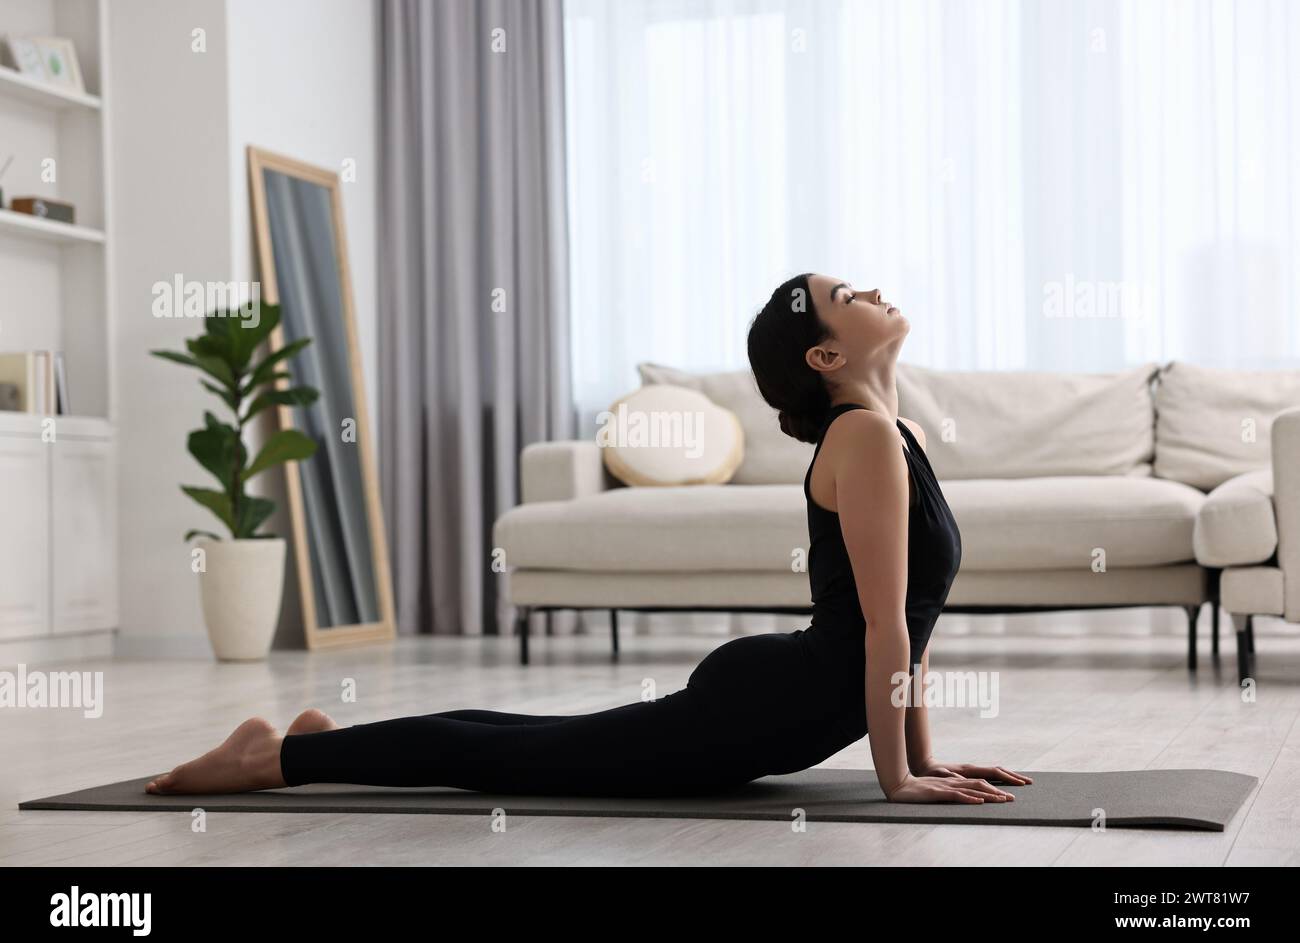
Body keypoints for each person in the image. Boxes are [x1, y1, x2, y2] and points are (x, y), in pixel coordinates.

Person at [146, 273, 1031, 804]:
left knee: (535, 741)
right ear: (826, 358)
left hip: (782, 696)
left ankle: (320, 741)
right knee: (519, 759)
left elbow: (908, 622)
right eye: (848, 296)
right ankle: (276, 758)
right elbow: (884, 628)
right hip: (762, 709)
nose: (873, 293)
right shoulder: (866, 438)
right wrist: (898, 781)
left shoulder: (890, 429)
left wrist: (922, 757)